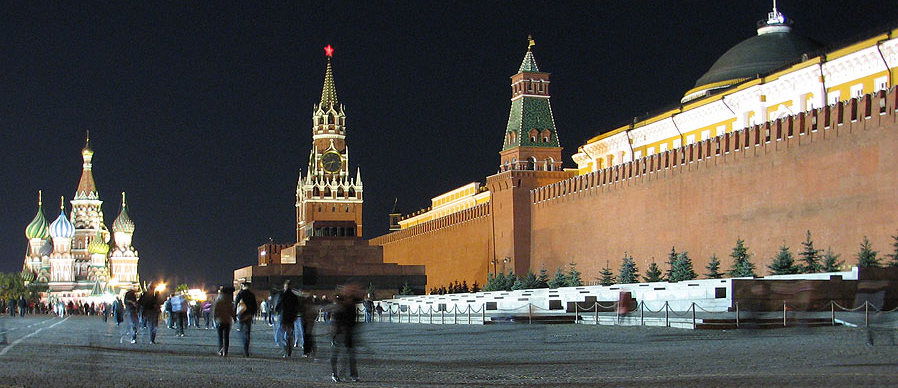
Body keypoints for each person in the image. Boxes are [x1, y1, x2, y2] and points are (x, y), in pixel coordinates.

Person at [329, 294, 359, 382]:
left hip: (345, 334)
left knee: (347, 355)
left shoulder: (345, 309)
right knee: (338, 355)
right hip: (340, 335)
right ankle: (335, 374)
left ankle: (350, 374)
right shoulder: (339, 310)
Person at [274, 280, 299, 357]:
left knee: (278, 337)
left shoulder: (282, 295)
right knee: (289, 335)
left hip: (283, 318)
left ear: (285, 286)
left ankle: (285, 349)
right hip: (291, 318)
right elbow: (296, 308)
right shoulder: (294, 297)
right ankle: (289, 350)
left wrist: (276, 312)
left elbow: (277, 306)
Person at [233, 282, 258, 357]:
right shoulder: (251, 294)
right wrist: (253, 313)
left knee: (241, 331)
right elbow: (255, 306)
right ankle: (246, 348)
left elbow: (236, 304)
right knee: (247, 332)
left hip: (241, 314)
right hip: (249, 315)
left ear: (243, 286)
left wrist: (234, 315)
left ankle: (244, 345)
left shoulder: (240, 294)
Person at [212, 286, 235, 357]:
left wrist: (214, 319)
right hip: (227, 321)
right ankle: (226, 351)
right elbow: (232, 311)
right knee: (226, 337)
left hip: (219, 321)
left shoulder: (218, 301)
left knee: (220, 337)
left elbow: (215, 311)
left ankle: (220, 350)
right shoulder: (229, 301)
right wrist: (234, 318)